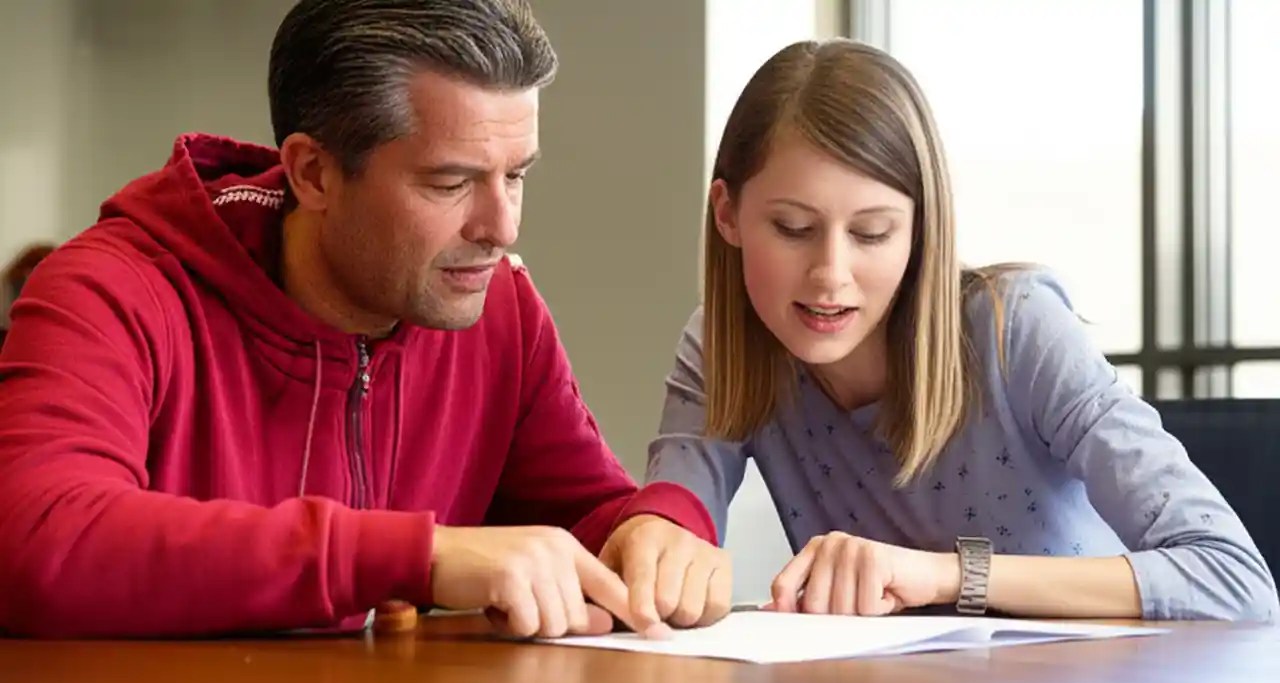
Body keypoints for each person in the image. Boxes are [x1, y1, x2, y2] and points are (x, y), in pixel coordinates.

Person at [0, 0, 731, 639]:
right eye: (450, 182)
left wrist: (661, 528)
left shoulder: (503, 311)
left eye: (515, 176)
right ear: (313, 174)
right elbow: (35, 540)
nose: (502, 227)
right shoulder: (112, 290)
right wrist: (418, 557)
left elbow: (590, 521)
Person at [647, 39, 1278, 622]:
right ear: (728, 214)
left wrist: (946, 576)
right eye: (793, 228)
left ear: (920, 232)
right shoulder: (721, 348)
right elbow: (674, 525)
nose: (831, 274)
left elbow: (1234, 580)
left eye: (872, 233)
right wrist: (659, 551)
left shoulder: (1017, 329)